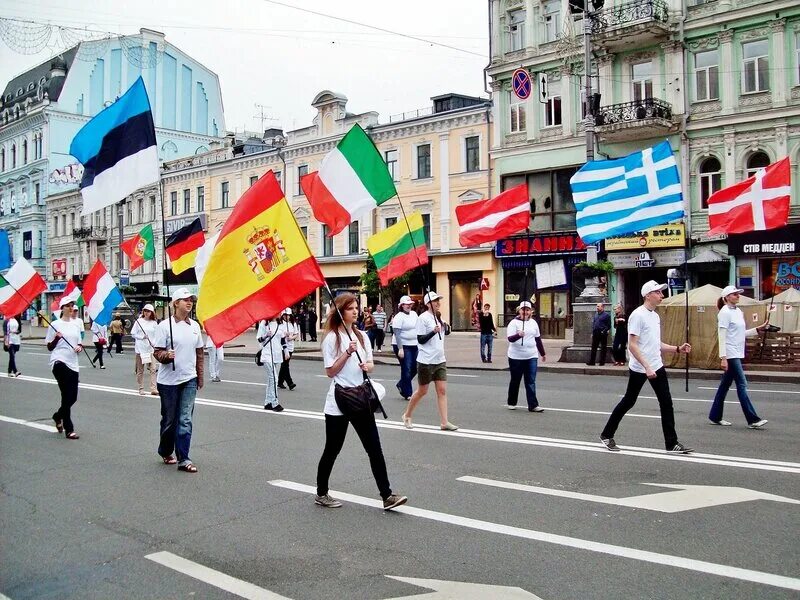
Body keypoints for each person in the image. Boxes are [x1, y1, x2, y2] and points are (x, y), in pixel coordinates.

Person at [315, 292, 407, 511]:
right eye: (350, 308)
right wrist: (347, 353)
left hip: (361, 397)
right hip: (339, 401)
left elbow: (370, 363)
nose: (355, 311)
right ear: (340, 312)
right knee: (332, 449)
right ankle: (321, 492)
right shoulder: (332, 339)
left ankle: (387, 495)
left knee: (374, 448)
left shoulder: (362, 336)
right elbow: (330, 371)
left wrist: (368, 367)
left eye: (357, 307)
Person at [599, 281, 694, 454]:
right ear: (648, 295)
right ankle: (606, 434)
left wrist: (677, 349)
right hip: (640, 367)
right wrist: (646, 367)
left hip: (656, 365)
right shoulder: (638, 315)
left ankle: (671, 443)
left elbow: (655, 344)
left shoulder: (655, 316)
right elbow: (632, 345)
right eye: (658, 292)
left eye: (661, 292)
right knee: (629, 401)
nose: (662, 295)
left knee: (666, 403)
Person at [152, 288, 204, 472]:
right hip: (168, 381)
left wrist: (199, 376)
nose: (189, 302)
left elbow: (199, 353)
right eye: (185, 300)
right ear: (176, 303)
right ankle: (165, 450)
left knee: (185, 419)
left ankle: (184, 458)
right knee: (169, 420)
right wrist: (166, 355)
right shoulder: (164, 326)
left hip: (189, 378)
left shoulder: (195, 326)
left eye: (191, 299)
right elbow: (157, 352)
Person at [709, 286, 770, 428]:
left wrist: (758, 329)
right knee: (742, 384)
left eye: (738, 294)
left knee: (724, 386)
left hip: (737, 352)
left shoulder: (738, 312)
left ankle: (715, 416)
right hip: (731, 354)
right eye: (734, 294)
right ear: (726, 298)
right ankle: (752, 419)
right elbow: (722, 336)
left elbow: (740, 333)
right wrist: (723, 357)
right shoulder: (724, 313)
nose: (737, 295)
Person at [402, 291, 457, 431]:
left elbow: (446, 332)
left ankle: (444, 422)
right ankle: (407, 415)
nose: (438, 303)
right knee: (422, 391)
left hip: (440, 360)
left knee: (442, 391)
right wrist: (433, 331)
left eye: (439, 300)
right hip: (426, 361)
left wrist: (446, 327)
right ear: (428, 304)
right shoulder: (423, 318)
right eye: (435, 301)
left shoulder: (438, 317)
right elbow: (420, 339)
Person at [46, 298, 85, 439]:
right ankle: (70, 429)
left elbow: (79, 344)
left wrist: (79, 348)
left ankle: (57, 416)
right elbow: (49, 347)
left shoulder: (75, 326)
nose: (70, 308)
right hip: (59, 361)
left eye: (72, 306)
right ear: (62, 308)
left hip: (73, 363)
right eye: (67, 306)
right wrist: (56, 338)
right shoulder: (55, 324)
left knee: (72, 397)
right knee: (66, 394)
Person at [506, 301, 546, 411]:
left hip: (531, 355)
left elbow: (537, 339)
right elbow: (510, 339)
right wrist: (518, 335)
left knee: (530, 381)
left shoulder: (533, 323)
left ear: (531, 311)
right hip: (516, 356)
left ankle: (533, 405)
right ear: (519, 311)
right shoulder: (513, 323)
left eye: (527, 310)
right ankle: (512, 402)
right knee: (515, 380)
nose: (525, 312)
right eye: (523, 310)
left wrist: (542, 353)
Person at [391, 296, 418, 401]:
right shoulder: (398, 317)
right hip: (402, 345)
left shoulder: (414, 314)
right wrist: (400, 349)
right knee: (406, 368)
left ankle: (401, 384)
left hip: (414, 344)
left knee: (415, 367)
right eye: (406, 304)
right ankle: (408, 393)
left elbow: (418, 327)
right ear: (401, 306)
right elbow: (397, 334)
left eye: (410, 304)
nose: (409, 306)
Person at [257, 317, 284, 411]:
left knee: (270, 379)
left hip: (276, 354)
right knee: (274, 378)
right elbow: (259, 339)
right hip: (267, 355)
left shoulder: (280, 323)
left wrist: (286, 351)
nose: (280, 313)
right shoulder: (264, 323)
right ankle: (274, 403)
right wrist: (266, 335)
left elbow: (282, 338)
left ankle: (267, 402)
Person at [132, 304, 159, 395]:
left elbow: (157, 335)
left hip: (151, 349)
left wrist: (155, 344)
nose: (147, 313)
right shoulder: (138, 321)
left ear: (152, 312)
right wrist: (141, 337)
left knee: (153, 369)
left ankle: (153, 388)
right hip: (140, 349)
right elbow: (133, 333)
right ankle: (141, 388)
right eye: (145, 311)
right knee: (140, 370)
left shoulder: (154, 323)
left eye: (149, 311)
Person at [277, 308, 298, 390]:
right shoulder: (280, 324)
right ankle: (290, 383)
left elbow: (296, 334)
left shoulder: (293, 324)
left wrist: (292, 337)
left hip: (290, 346)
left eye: (288, 315)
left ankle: (280, 382)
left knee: (284, 365)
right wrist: (284, 334)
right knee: (285, 365)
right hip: (283, 346)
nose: (287, 317)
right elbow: (279, 334)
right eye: (285, 315)